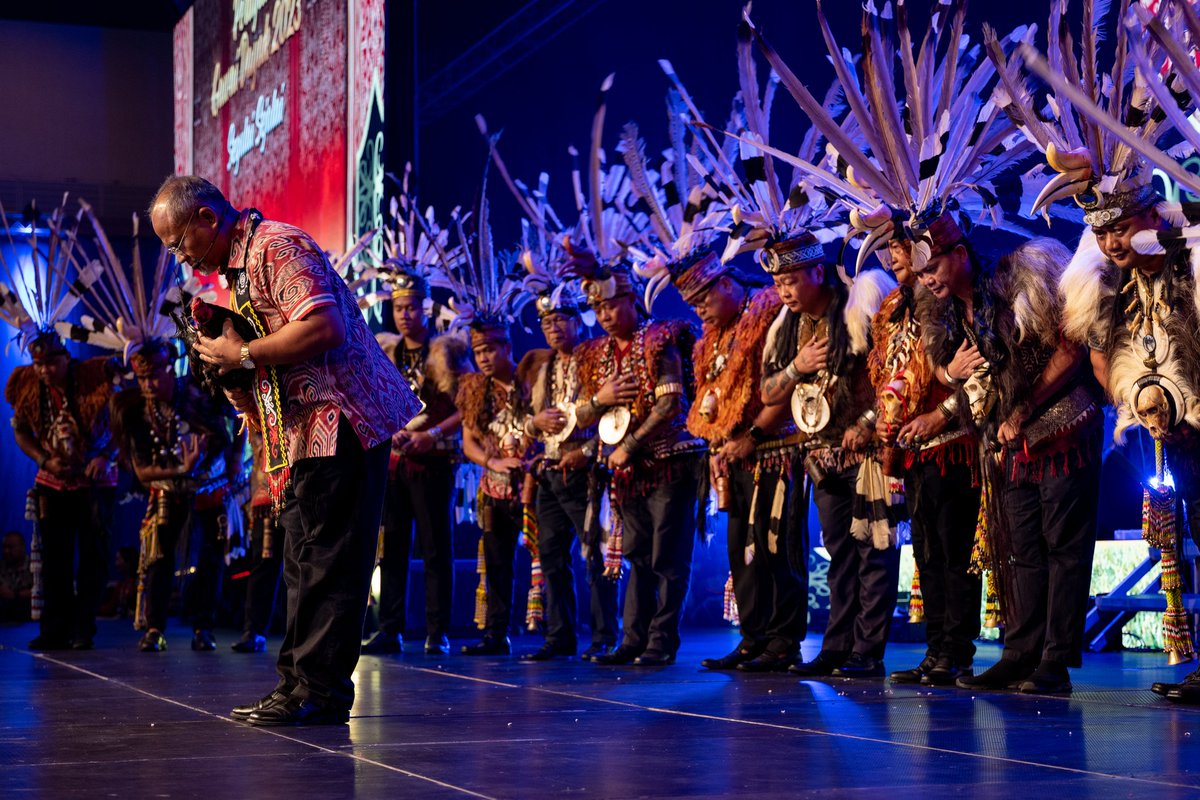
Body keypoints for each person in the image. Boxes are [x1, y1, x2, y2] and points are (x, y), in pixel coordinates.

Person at [149, 175, 422, 726]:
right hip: (302, 435)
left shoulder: (277, 245)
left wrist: (243, 354)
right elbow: (265, 364)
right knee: (304, 563)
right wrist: (231, 373)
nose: (180, 257)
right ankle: (299, 684)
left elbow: (325, 327)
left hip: (341, 422)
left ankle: (320, 691)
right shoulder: (241, 271)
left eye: (179, 243)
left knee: (328, 562)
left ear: (207, 218)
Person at [916, 233, 1102, 695]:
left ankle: (1055, 662)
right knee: (1021, 551)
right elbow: (971, 382)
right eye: (921, 273)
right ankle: (1019, 654)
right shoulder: (952, 314)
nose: (927, 279)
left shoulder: (1019, 279)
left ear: (960, 254)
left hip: (1063, 426)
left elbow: (1070, 347)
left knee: (1063, 547)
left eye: (932, 267)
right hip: (1012, 441)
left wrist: (1025, 406)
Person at [759, 235, 898, 679]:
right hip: (821, 458)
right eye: (778, 283)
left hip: (866, 453)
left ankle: (868, 652)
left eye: (791, 281)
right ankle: (837, 648)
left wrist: (870, 422)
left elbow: (893, 370)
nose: (784, 291)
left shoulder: (858, 305)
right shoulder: (787, 326)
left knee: (873, 552)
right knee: (839, 555)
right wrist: (797, 367)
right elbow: (767, 393)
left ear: (817, 272)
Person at [573, 262, 705, 667]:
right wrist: (602, 398)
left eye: (612, 305)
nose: (605, 315)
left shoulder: (659, 338)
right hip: (628, 472)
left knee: (668, 556)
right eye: (598, 309)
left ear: (632, 300)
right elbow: (580, 416)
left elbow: (671, 403)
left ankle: (661, 641)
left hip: (669, 461)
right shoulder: (594, 354)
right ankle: (633, 639)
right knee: (637, 555)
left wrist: (629, 445)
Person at [877, 238, 982, 687]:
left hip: (952, 443)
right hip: (915, 449)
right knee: (927, 555)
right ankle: (936, 650)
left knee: (954, 553)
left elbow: (967, 370)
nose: (892, 257)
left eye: (898, 246)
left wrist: (942, 397)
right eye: (887, 249)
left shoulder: (947, 303)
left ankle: (956, 652)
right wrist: (884, 417)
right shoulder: (893, 311)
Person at [111, 340, 242, 652]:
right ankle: (154, 628)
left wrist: (236, 457)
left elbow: (241, 411)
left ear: (169, 369)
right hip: (168, 487)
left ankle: (203, 627)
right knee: (159, 555)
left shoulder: (202, 390)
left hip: (210, 483)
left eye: (153, 376)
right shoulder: (135, 411)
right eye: (141, 378)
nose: (147, 385)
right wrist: (182, 467)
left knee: (210, 556)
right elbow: (142, 472)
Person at [366, 264, 468, 656]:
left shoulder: (447, 352)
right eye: (398, 308)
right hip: (394, 463)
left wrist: (432, 435)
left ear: (424, 308)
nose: (405, 314)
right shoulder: (385, 351)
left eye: (411, 307)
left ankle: (437, 631)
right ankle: (390, 629)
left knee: (436, 546)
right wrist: (389, 430)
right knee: (392, 548)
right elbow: (372, 400)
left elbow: (468, 406)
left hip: (433, 462)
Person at [520, 285, 619, 662]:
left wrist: (587, 452)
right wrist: (534, 422)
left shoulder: (596, 360)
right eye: (547, 323)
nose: (554, 328)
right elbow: (528, 424)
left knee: (596, 555)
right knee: (551, 556)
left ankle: (604, 636)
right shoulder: (543, 367)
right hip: (550, 472)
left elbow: (615, 416)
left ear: (580, 321)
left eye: (561, 319)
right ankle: (560, 636)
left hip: (586, 471)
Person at [6, 332, 116, 650]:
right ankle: (54, 629)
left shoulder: (94, 379)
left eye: (51, 363)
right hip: (53, 480)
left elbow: (122, 421)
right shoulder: (29, 385)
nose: (45, 370)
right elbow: (21, 432)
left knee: (93, 558)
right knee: (55, 559)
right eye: (39, 364)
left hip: (94, 479)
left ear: (66, 357)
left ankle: (83, 628)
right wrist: (43, 459)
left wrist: (105, 456)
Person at [456, 315, 529, 656]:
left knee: (549, 560)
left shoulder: (530, 379)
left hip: (531, 482)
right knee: (497, 564)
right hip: (494, 487)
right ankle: (496, 635)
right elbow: (468, 442)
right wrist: (494, 463)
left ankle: (559, 634)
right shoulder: (475, 389)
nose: (483, 357)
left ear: (507, 347)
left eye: (489, 349)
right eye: (478, 351)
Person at [232, 428, 283, 653]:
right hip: (267, 488)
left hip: (301, 483)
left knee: (303, 565)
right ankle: (254, 631)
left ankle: (304, 636)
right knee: (263, 563)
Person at [0, 532, 33, 622]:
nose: (6, 551)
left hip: (29, 613)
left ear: (22, 547)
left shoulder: (35, 566)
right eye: (4, 547)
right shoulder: (1, 566)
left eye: (10, 547)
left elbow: (41, 591)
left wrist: (16, 594)